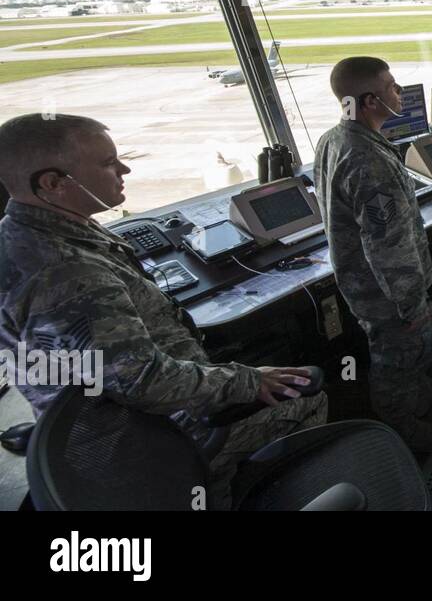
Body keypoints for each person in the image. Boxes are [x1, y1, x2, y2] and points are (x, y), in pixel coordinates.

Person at [0, 113, 324, 509]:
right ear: (52, 184)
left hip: (98, 425)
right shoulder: (67, 274)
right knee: (306, 392)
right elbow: (143, 383)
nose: (125, 168)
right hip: (151, 435)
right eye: (107, 163)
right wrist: (248, 381)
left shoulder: (29, 234)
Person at [314, 57, 432, 452]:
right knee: (396, 360)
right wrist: (409, 304)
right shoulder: (369, 161)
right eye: (393, 87)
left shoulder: (334, 139)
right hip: (388, 292)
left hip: (364, 281)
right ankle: (404, 429)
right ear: (371, 100)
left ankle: (421, 391)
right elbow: (387, 245)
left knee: (410, 354)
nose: (400, 93)